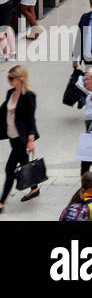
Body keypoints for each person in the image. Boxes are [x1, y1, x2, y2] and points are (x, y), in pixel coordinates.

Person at [0, 66, 38, 211]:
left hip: (22, 138)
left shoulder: (29, 95)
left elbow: (31, 119)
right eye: (8, 78)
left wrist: (30, 140)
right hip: (12, 135)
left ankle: (2, 201)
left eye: (11, 78)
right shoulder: (10, 92)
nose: (8, 81)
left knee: (9, 169)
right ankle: (34, 188)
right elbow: (3, 111)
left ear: (20, 78)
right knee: (24, 163)